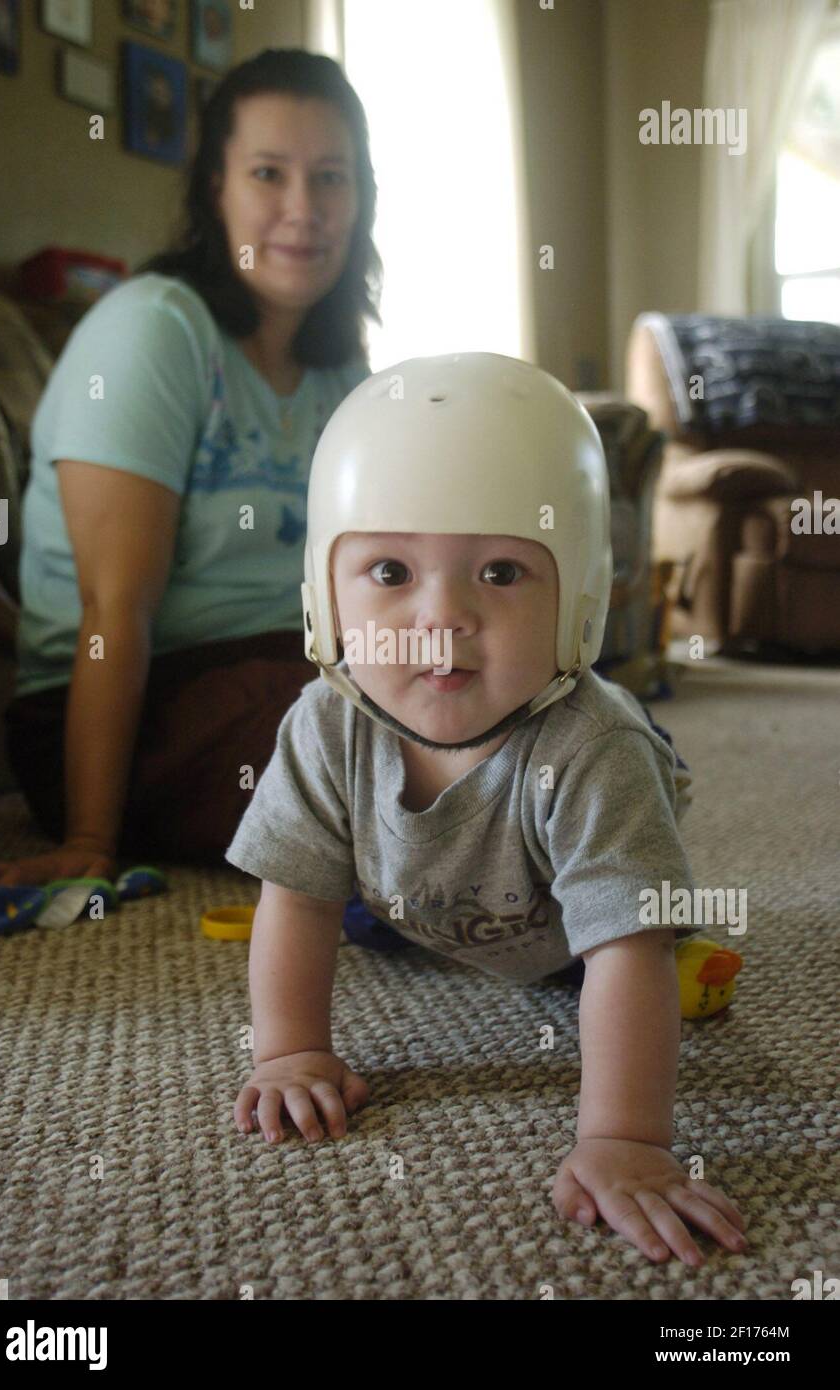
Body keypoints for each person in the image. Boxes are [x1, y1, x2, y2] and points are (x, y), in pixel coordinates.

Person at [225, 353, 748, 1267]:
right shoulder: (324, 725)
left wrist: (626, 1140)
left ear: (578, 596)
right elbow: (299, 897)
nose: (441, 618)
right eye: (390, 569)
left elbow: (624, 953)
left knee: (645, 923)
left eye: (502, 573)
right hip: (419, 904)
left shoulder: (593, 751)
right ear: (326, 598)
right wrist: (290, 1052)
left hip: (570, 928)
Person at [0, 49, 383, 887]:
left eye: (332, 177)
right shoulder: (155, 331)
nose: (303, 209)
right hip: (135, 703)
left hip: (299, 675)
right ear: (214, 191)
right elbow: (112, 607)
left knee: (529, 717)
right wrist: (91, 840)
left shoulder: (345, 369)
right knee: (392, 762)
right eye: (269, 173)